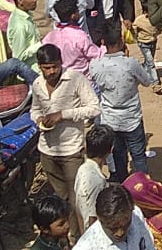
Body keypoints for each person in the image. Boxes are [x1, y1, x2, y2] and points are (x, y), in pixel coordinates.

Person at [31, 43, 101, 236]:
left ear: (61, 62)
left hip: (72, 150)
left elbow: (94, 108)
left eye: (55, 66)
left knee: (76, 199)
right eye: (47, 68)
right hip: (47, 150)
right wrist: (39, 119)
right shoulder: (37, 84)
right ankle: (66, 238)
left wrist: (63, 115)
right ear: (39, 66)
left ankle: (79, 238)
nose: (51, 71)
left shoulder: (76, 79)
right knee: (62, 199)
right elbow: (34, 110)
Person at [88, 21, 152, 182]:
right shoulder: (131, 63)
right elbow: (147, 81)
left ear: (103, 42)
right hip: (132, 118)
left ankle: (123, 186)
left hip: (110, 120)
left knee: (118, 155)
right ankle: (143, 188)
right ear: (122, 40)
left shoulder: (95, 65)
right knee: (138, 156)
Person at [72, 185, 155, 250]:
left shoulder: (136, 215)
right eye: (113, 228)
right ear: (100, 219)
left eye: (125, 225)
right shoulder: (86, 247)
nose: (120, 233)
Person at [43, 0, 104, 77]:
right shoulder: (80, 36)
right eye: (77, 11)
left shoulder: (49, 37)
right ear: (73, 15)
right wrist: (104, 47)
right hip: (81, 79)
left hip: (60, 78)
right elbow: (97, 55)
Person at [74, 125, 114, 230]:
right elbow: (93, 217)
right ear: (111, 149)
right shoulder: (97, 180)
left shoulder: (82, 169)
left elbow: (78, 207)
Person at [7, 0, 41, 71]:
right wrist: (40, 44)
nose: (35, 0)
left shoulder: (25, 16)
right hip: (30, 71)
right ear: (20, 1)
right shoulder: (19, 25)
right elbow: (18, 56)